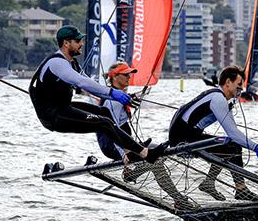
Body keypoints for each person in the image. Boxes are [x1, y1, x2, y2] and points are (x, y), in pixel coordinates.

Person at [29, 25, 165, 164]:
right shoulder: (57, 63)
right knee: (103, 123)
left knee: (104, 112)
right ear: (66, 43)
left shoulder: (72, 63)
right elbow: (81, 82)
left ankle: (129, 151)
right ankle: (146, 154)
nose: (81, 44)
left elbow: (89, 84)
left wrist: (121, 96)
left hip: (63, 107)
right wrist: (113, 93)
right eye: (78, 41)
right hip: (53, 115)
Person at [97, 61, 195, 210]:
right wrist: (124, 154)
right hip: (113, 145)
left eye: (130, 74)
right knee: (156, 161)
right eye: (126, 75)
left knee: (159, 150)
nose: (129, 77)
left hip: (125, 143)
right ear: (115, 77)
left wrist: (136, 96)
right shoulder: (113, 101)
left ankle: (133, 175)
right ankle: (178, 199)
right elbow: (112, 129)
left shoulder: (118, 95)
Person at [168, 64, 258, 202]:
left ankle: (209, 183)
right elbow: (233, 133)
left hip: (186, 135)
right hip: (183, 139)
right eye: (239, 84)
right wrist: (256, 147)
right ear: (228, 82)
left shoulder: (215, 96)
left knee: (226, 147)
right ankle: (241, 190)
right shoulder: (217, 98)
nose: (241, 88)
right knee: (233, 147)